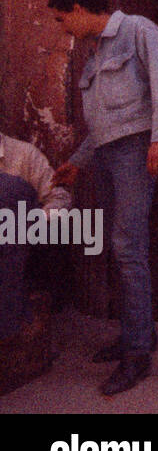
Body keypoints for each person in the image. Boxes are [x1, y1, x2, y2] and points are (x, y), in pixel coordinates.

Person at [48, 0, 158, 396]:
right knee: (122, 246)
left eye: (61, 20)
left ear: (77, 8)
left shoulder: (138, 31)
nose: (63, 29)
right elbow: (106, 122)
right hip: (110, 155)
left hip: (135, 153)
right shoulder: (96, 52)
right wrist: (77, 161)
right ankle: (138, 333)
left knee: (128, 249)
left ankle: (138, 355)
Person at [0, 132, 70, 394]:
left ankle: (8, 324)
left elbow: (60, 197)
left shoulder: (25, 155)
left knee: (8, 191)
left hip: (18, 242)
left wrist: (31, 223)